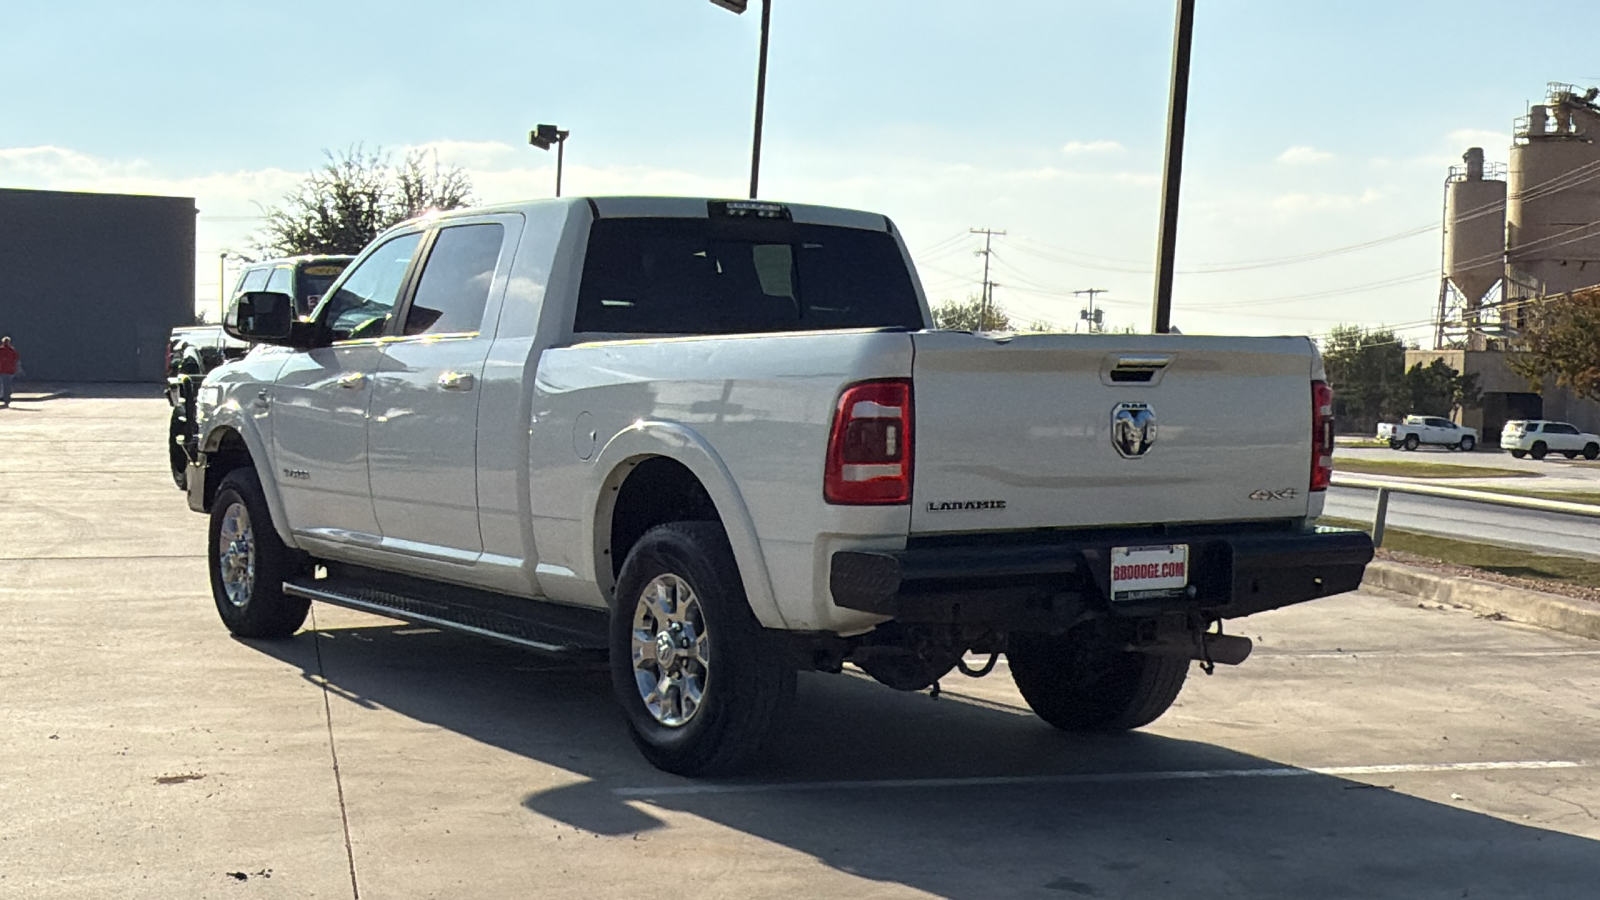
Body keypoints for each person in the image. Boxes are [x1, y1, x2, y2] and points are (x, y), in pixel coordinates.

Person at [0, 337, 19, 407]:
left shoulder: (1, 350)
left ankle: (3, 396)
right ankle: (7, 397)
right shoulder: (12, 350)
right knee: (8, 384)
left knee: (2, 384)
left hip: (2, 369)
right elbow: (16, 359)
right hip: (10, 370)